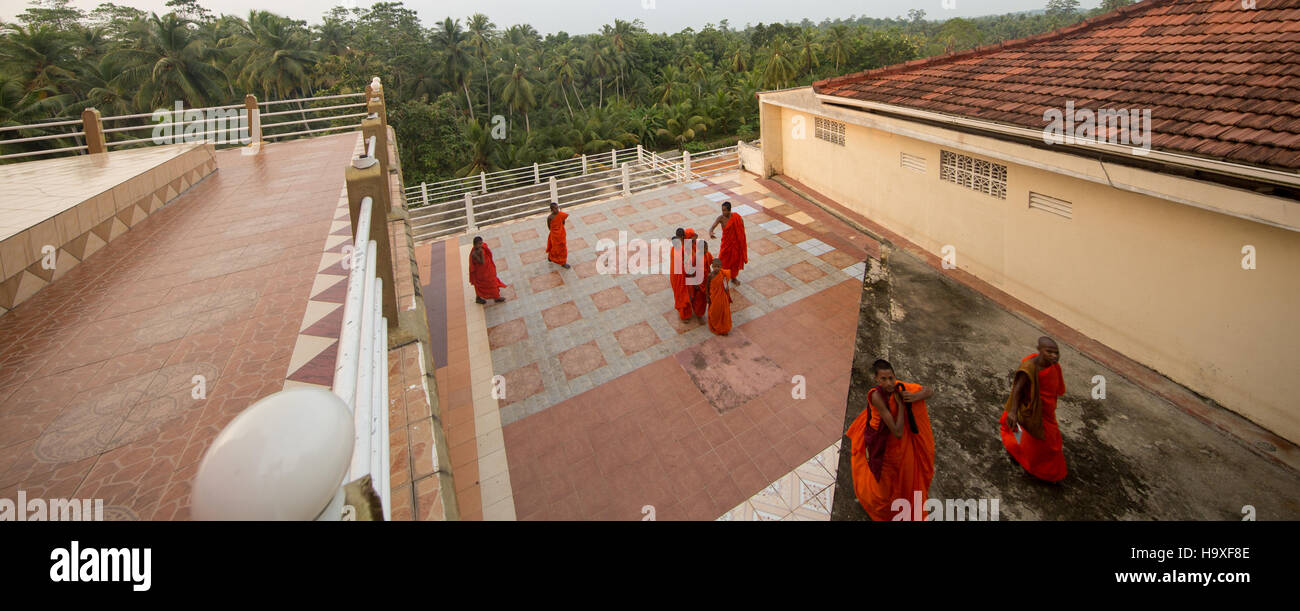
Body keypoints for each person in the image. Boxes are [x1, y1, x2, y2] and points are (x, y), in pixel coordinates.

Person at [845, 359, 935, 521]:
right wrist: (901, 405)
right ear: (876, 380)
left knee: (904, 478)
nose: (889, 383)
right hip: (882, 442)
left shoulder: (899, 387)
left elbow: (929, 391)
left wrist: (915, 397)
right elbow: (897, 431)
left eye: (891, 378)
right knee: (883, 488)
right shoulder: (876, 396)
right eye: (884, 379)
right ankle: (882, 511)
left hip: (901, 446)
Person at [1000, 336, 1068, 482]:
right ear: (1039, 350)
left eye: (1056, 353)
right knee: (1045, 443)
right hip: (1032, 410)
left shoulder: (1053, 365)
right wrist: (1013, 412)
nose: (1054, 356)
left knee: (1047, 443)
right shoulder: (1030, 367)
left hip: (1046, 410)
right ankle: (1028, 460)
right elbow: (1018, 389)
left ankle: (1044, 468)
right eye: (1049, 352)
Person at [708, 201, 748, 283]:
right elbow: (712, 227)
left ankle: (733, 277)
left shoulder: (736, 217)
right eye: (722, 210)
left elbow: (741, 228)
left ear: (729, 210)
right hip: (726, 244)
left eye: (725, 210)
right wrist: (711, 232)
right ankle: (720, 275)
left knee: (734, 261)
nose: (723, 212)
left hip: (735, 244)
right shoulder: (721, 218)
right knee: (722, 259)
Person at [669, 228, 700, 322]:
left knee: (684, 293)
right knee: (683, 293)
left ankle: (687, 311)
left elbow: (696, 235)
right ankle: (684, 314)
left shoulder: (681, 245)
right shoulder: (679, 248)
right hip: (681, 274)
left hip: (678, 274)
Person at [468, 236, 507, 304]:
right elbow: (482, 262)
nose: (481, 245)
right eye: (479, 244)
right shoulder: (475, 253)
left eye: (481, 243)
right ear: (475, 245)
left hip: (487, 270)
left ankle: (481, 297)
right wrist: (481, 253)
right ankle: (496, 297)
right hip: (482, 273)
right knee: (488, 284)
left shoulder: (481, 248)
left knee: (491, 282)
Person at [689, 240, 713, 323]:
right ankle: (699, 315)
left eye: (707, 248)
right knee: (699, 299)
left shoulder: (707, 254)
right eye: (705, 248)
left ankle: (701, 313)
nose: (707, 249)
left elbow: (711, 262)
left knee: (704, 298)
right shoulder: (696, 258)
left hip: (706, 280)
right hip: (699, 282)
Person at [705, 259, 731, 335]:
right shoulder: (710, 275)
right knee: (714, 311)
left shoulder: (723, 274)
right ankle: (715, 325)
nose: (717, 268)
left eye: (718, 266)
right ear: (712, 266)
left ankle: (724, 328)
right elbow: (707, 286)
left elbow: (725, 284)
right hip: (713, 296)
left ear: (721, 267)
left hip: (722, 296)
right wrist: (707, 296)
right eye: (715, 266)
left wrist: (727, 294)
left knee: (724, 312)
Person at [546, 202, 570, 269]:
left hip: (561, 234)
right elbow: (549, 227)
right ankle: (551, 256)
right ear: (551, 209)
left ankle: (563, 262)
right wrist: (555, 232)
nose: (557, 210)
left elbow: (563, 222)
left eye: (557, 208)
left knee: (563, 248)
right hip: (554, 235)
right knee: (555, 248)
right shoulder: (550, 217)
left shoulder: (561, 214)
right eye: (555, 209)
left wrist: (560, 230)